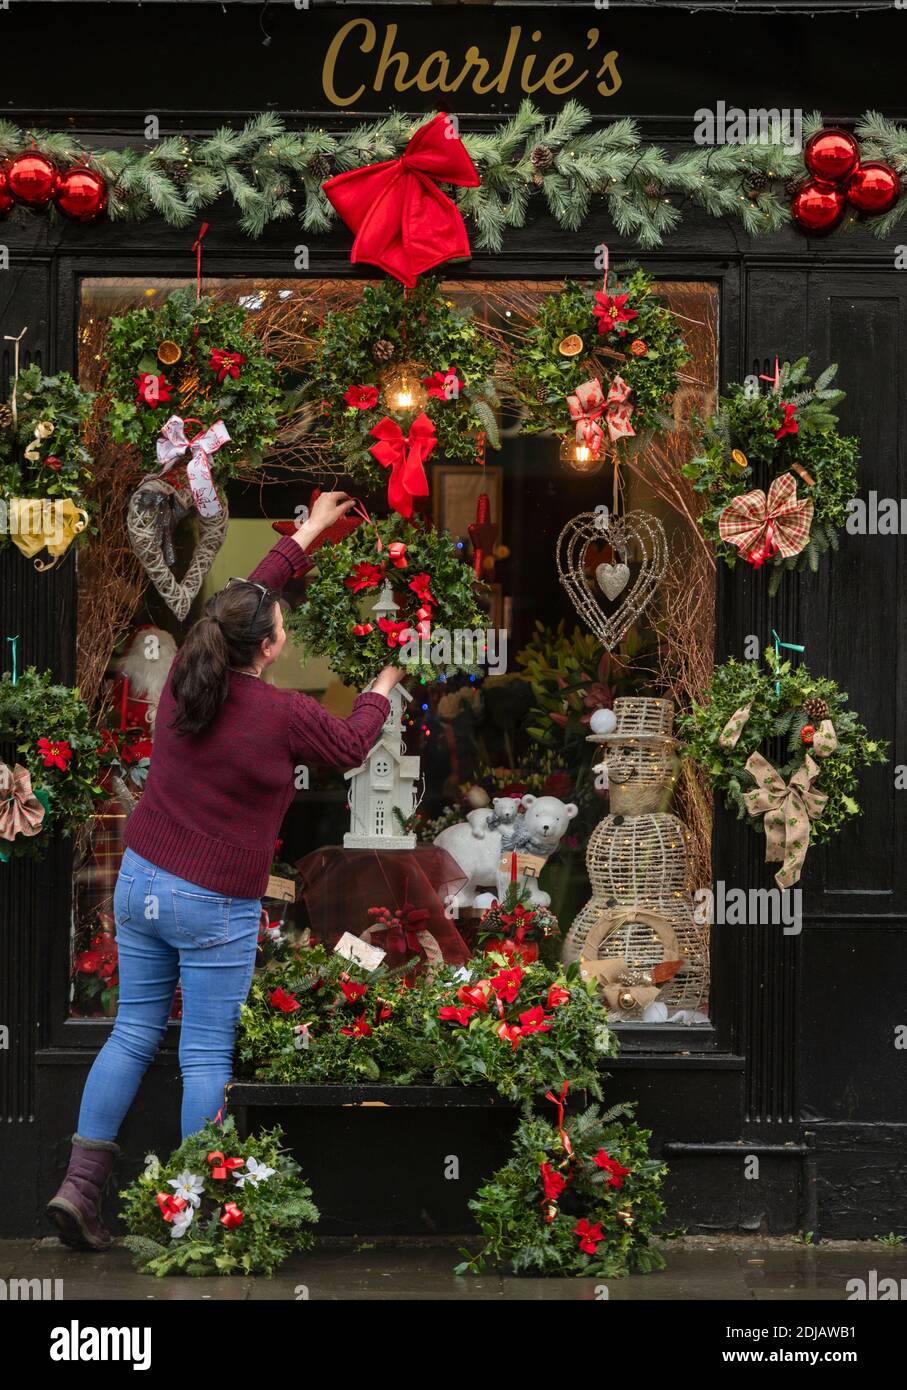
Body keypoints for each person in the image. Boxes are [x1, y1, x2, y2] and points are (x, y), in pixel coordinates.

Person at [47, 492, 404, 1251]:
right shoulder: (278, 714)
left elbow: (241, 598)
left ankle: (79, 1189)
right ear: (269, 647)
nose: (285, 625)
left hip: (141, 880)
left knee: (133, 1031)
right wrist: (382, 687)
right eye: (281, 625)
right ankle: (194, 1215)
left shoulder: (186, 670)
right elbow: (346, 747)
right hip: (212, 902)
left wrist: (305, 533)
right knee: (204, 1053)